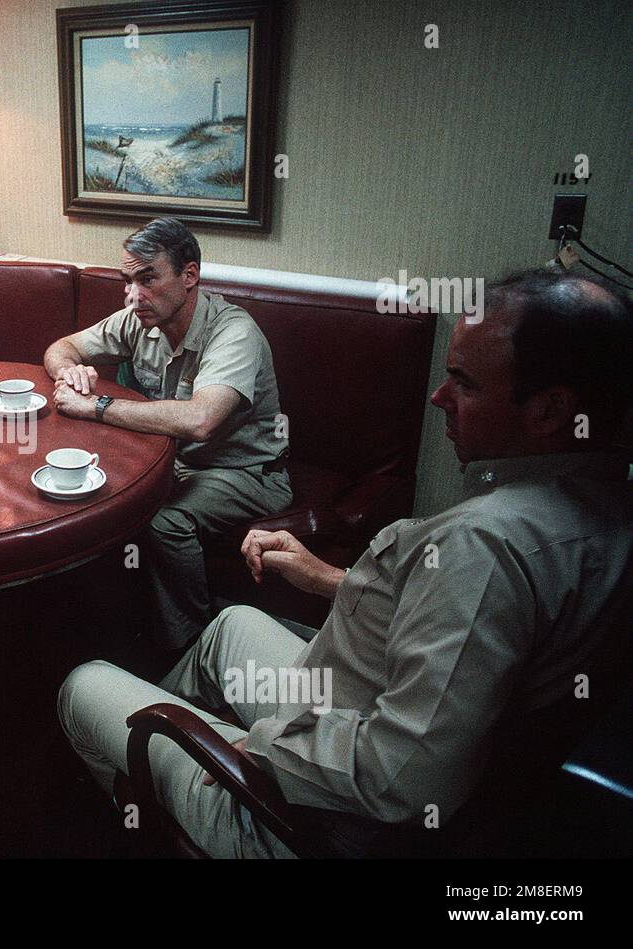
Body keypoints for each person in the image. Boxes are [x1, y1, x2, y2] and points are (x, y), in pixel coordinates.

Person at [58, 269, 633, 858]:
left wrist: (257, 751)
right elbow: (453, 627)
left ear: (550, 410)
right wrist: (330, 577)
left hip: (309, 820)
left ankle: (175, 800)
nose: (439, 397)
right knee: (228, 627)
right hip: (357, 699)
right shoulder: (601, 504)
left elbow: (409, 777)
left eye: (463, 382)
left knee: (81, 686)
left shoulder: (485, 547)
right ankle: (160, 755)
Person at [43, 217, 290, 649]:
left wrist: (97, 406)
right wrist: (73, 372)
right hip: (175, 462)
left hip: (247, 471)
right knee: (97, 500)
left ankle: (195, 642)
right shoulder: (140, 317)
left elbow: (200, 420)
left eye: (147, 278)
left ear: (189, 275)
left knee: (165, 519)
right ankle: (105, 632)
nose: (133, 294)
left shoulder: (234, 332)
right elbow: (61, 348)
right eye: (127, 280)